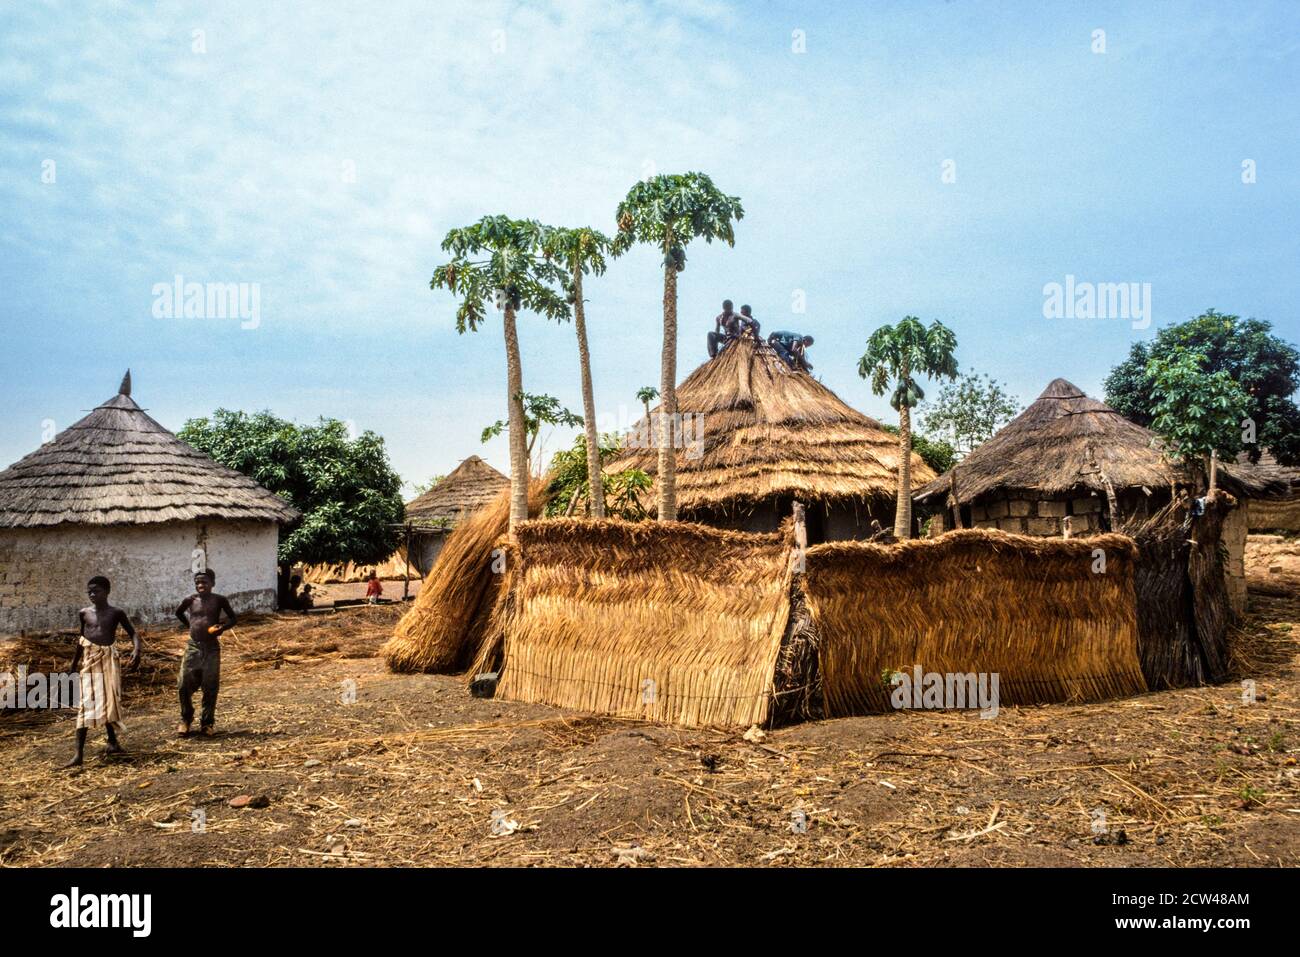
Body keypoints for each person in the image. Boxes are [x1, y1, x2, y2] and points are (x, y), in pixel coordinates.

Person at [64, 576, 140, 768]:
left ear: (107, 592)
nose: (92, 594)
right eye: (89, 591)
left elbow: (133, 633)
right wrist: (73, 666)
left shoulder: (116, 613)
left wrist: (136, 650)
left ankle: (112, 741)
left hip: (108, 661)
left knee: (107, 700)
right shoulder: (84, 613)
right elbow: (81, 641)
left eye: (96, 591)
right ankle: (78, 754)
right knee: (85, 703)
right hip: (89, 661)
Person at [175, 569, 236, 737]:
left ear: (213, 583)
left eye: (204, 582)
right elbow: (178, 612)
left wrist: (222, 627)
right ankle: (186, 719)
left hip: (211, 648)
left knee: (210, 686)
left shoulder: (219, 600)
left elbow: (233, 618)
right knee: (183, 684)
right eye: (197, 583)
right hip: (193, 646)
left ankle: (207, 723)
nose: (200, 585)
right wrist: (190, 627)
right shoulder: (190, 600)